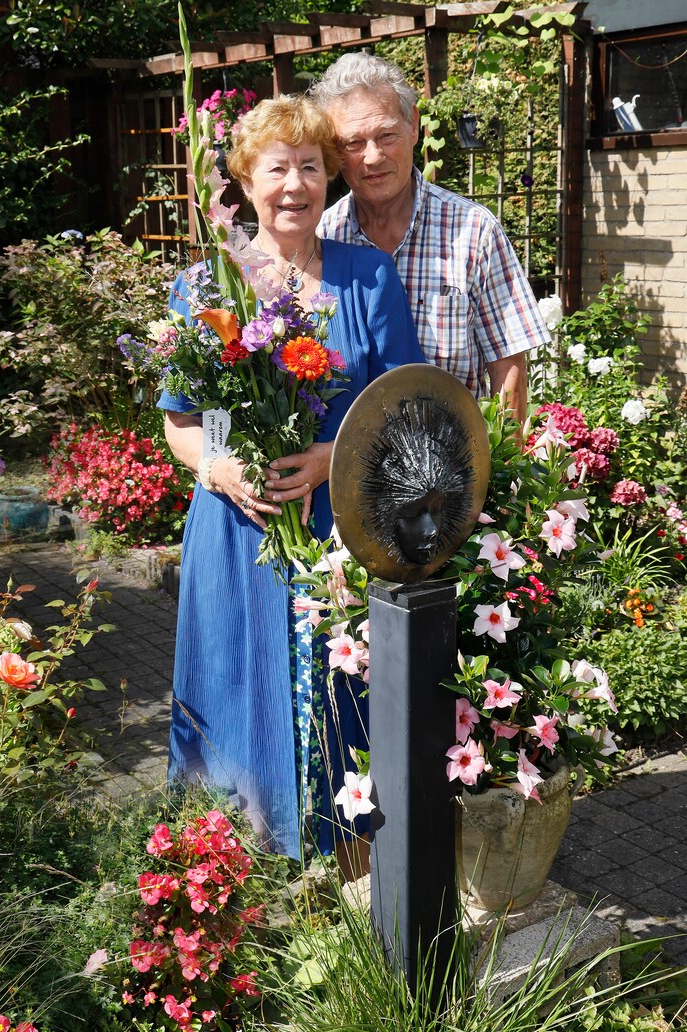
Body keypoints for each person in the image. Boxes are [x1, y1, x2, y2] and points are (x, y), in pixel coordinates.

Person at [158, 96, 423, 863]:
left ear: (328, 179)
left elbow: (404, 405)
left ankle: (346, 865)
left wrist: (333, 455)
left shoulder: (367, 277)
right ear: (246, 181)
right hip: (234, 531)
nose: (295, 184)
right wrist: (217, 464)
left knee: (341, 701)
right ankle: (229, 870)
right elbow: (181, 420)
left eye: (311, 166)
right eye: (277, 168)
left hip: (338, 529)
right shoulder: (208, 286)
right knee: (234, 689)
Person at [312, 52, 551, 424]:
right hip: (346, 457)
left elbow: (509, 368)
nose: (372, 157)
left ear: (414, 126)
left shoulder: (473, 231)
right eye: (353, 143)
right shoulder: (324, 235)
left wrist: (504, 455)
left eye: (386, 135)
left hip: (454, 453)